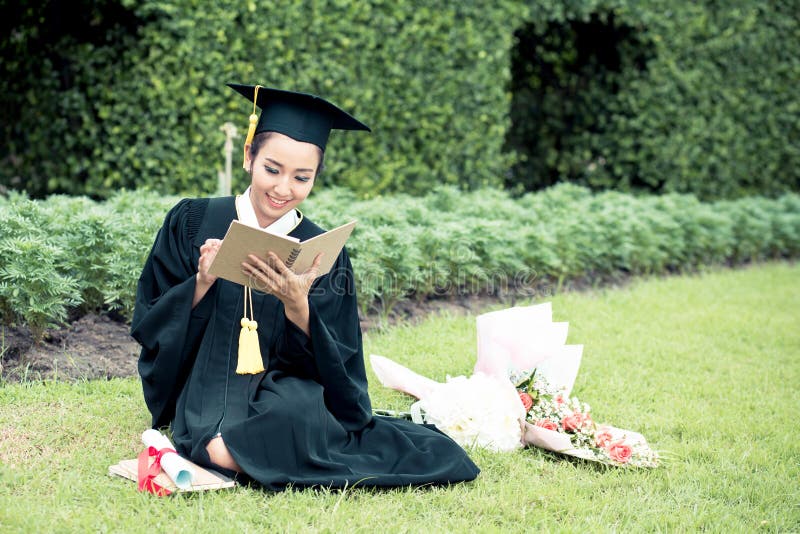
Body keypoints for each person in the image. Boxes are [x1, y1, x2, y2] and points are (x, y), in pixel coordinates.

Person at [130, 84, 480, 490]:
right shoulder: (194, 220)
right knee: (209, 439)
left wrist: (298, 306)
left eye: (302, 177)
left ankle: (243, 451)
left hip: (280, 383)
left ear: (315, 177)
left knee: (300, 410)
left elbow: (339, 363)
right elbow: (151, 319)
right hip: (206, 380)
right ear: (249, 157)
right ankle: (235, 449)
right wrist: (203, 280)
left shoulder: (319, 252)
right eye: (272, 170)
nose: (282, 189)